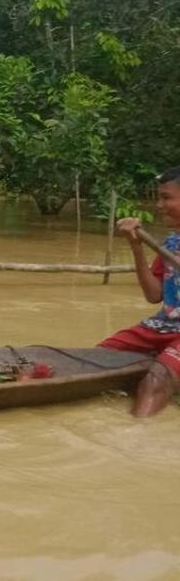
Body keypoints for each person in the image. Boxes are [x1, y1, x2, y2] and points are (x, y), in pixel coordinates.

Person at [98, 166, 180, 417]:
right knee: (95, 358)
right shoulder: (171, 243)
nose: (159, 204)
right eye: (160, 197)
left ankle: (134, 437)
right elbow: (154, 295)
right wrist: (136, 247)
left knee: (156, 378)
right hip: (162, 325)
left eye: (167, 198)